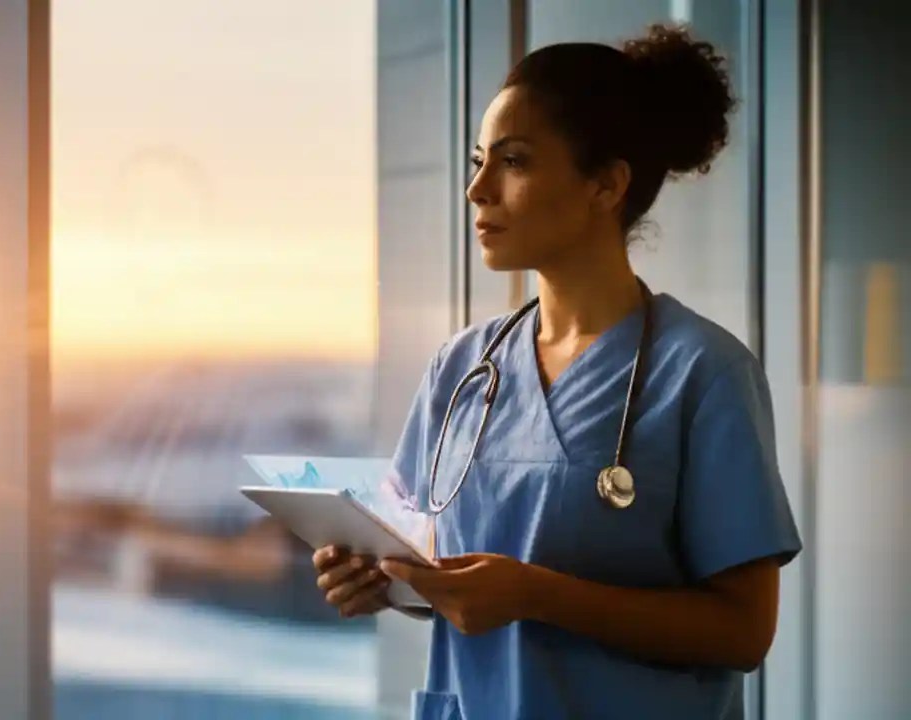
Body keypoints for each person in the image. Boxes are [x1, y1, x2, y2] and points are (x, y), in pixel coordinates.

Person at [312, 24, 802, 720]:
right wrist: (377, 579)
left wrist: (534, 595)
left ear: (606, 184)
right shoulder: (462, 367)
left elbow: (743, 631)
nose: (478, 189)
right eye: (479, 160)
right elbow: (431, 564)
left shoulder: (704, 372)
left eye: (512, 162)